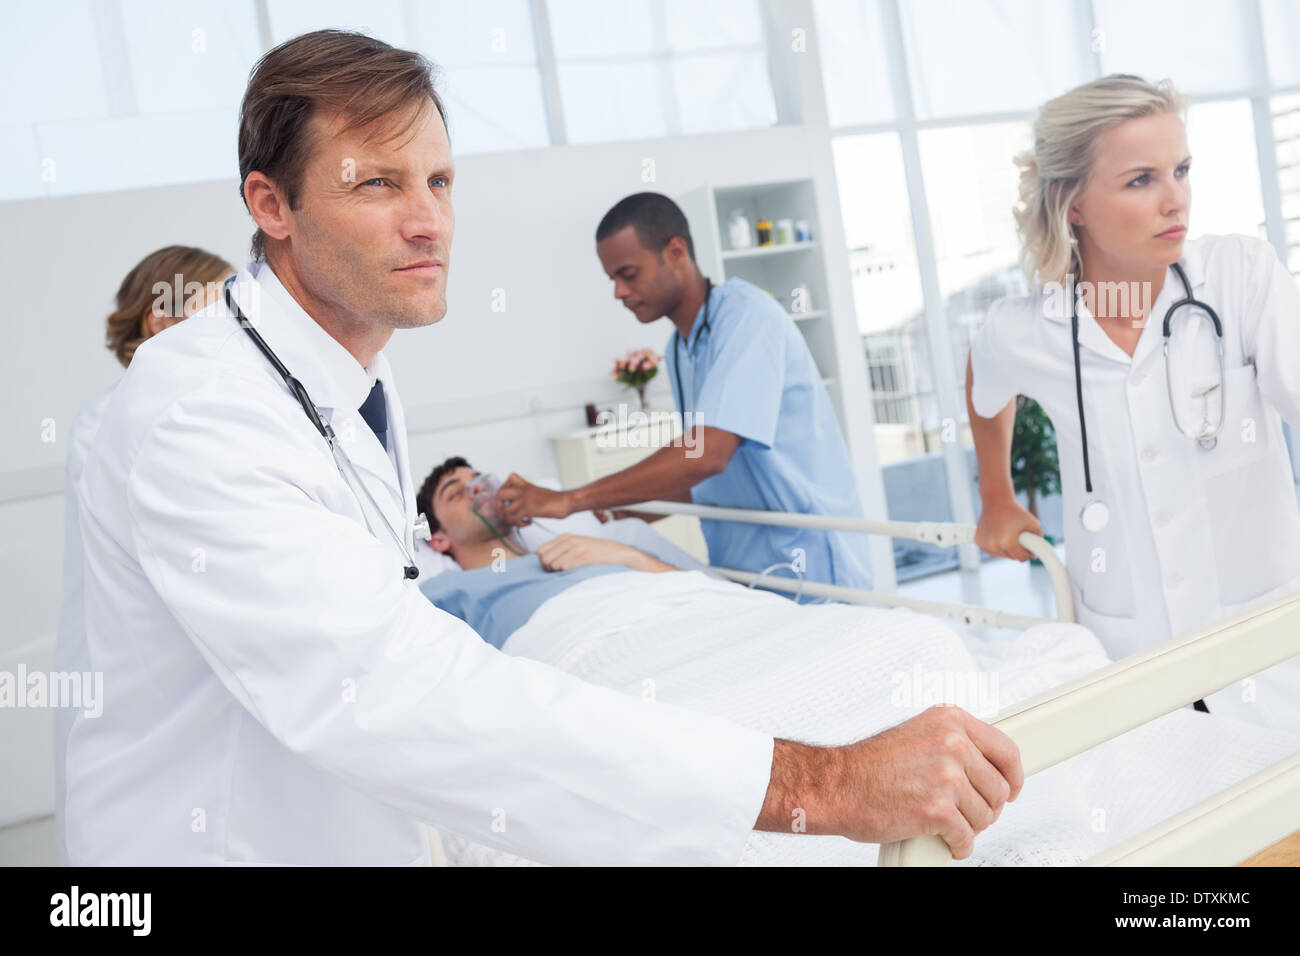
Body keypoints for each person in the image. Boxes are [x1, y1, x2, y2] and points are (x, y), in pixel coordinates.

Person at [67, 29, 1020, 866]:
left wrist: (584, 522)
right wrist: (833, 787)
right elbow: (397, 690)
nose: (428, 218)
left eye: (439, 180)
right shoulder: (197, 408)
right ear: (272, 205)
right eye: (378, 183)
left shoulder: (358, 374)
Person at [967, 74, 1300, 730]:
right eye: (1140, 180)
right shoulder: (1031, 329)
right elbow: (984, 372)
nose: (1175, 200)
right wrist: (996, 495)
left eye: (1181, 169)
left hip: (1268, 658)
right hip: (1128, 665)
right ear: (1074, 206)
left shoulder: (1240, 277)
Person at [494, 193, 875, 592]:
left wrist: (571, 500)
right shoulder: (682, 349)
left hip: (808, 556)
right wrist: (619, 512)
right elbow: (706, 479)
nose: (619, 293)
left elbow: (706, 454)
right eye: (613, 280)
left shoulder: (748, 317)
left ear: (676, 252)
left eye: (628, 274)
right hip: (747, 564)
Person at [53, 245, 233, 865]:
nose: (242, 326)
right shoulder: (110, 419)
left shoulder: (193, 410)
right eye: (223, 306)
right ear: (163, 318)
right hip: (133, 667)